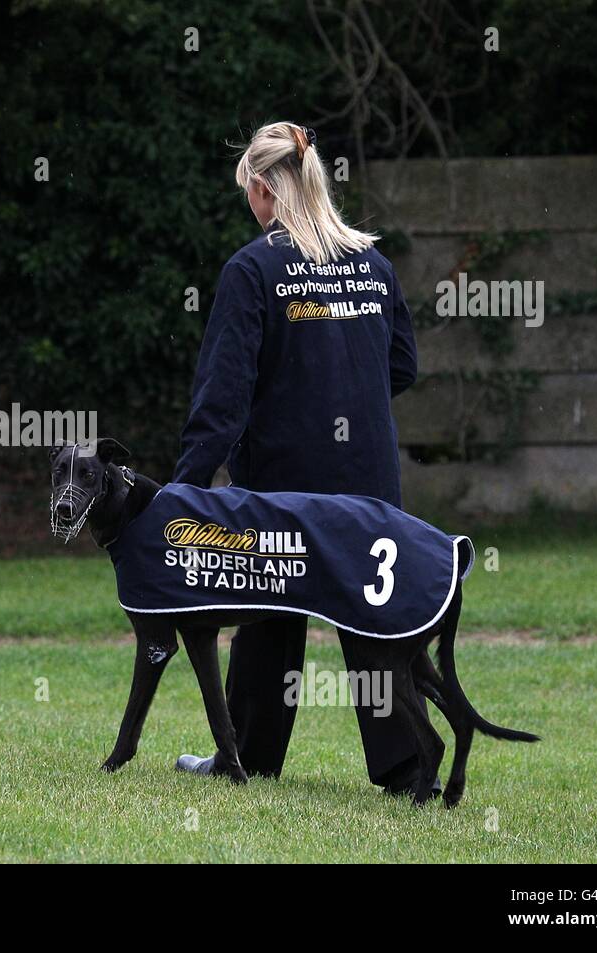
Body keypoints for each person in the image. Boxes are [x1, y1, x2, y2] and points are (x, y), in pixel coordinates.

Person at [173, 121, 427, 795]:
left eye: (248, 193)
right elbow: (400, 366)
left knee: (265, 619)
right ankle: (410, 766)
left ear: (262, 190)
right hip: (370, 483)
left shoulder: (251, 270)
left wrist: (182, 492)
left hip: (281, 486)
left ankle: (248, 754)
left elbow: (222, 400)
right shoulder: (373, 264)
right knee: (376, 619)